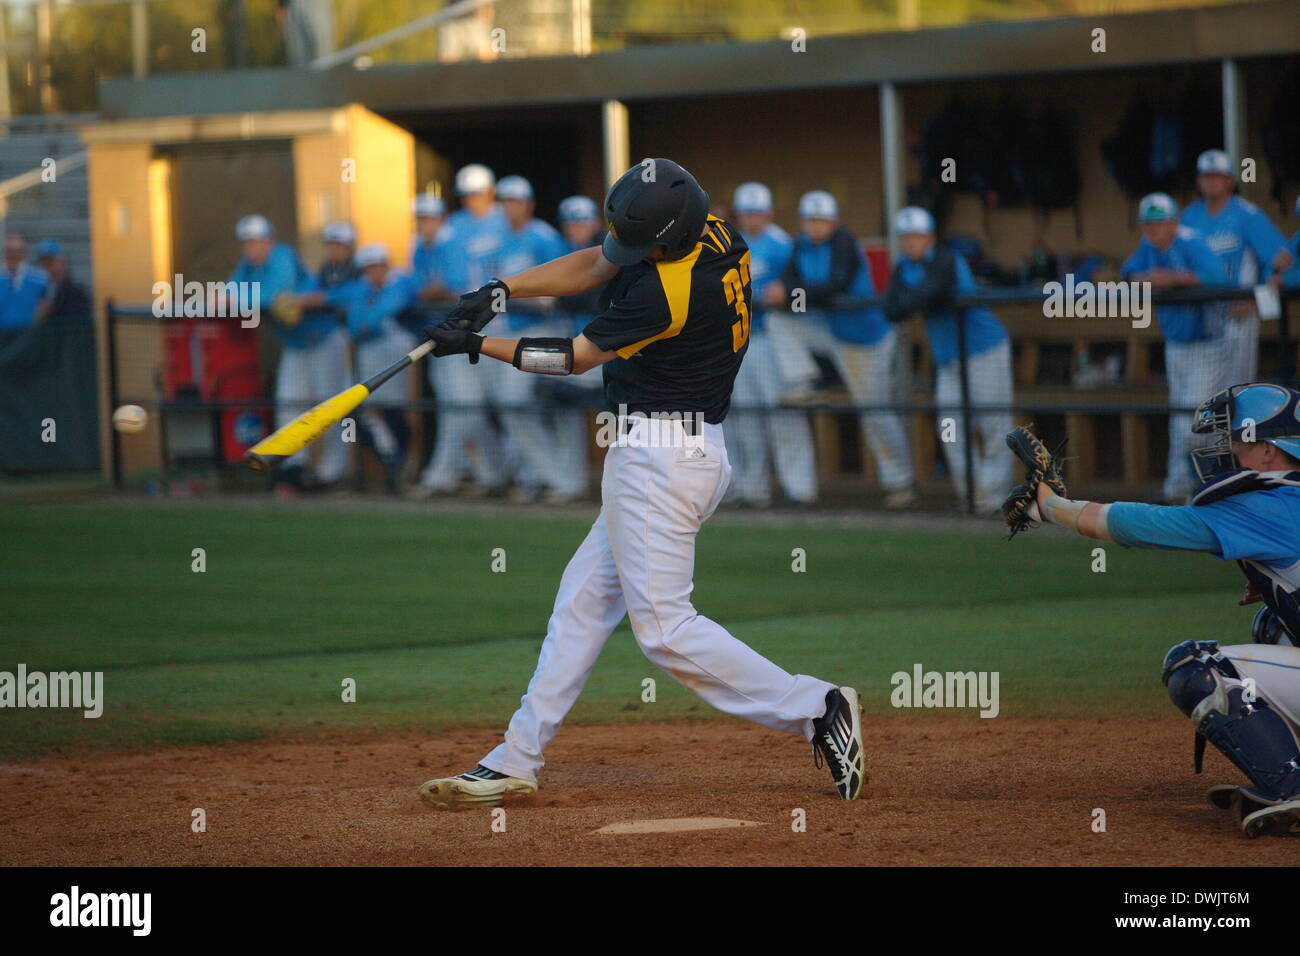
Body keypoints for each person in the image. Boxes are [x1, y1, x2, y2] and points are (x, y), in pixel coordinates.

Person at [415, 159, 865, 808]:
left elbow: (572, 358)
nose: (631, 252)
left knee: (664, 629)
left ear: (668, 236)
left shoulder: (670, 295)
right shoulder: (716, 233)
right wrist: (499, 291)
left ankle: (818, 708)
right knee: (580, 606)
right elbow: (599, 263)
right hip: (677, 450)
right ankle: (515, 756)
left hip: (660, 460)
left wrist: (476, 345)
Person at [1002, 385, 1300, 837]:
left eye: (1235, 440)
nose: (1225, 450)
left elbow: (1143, 525)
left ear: (1266, 451)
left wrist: (1052, 506)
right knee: (1274, 625)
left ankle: (1292, 786)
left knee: (1197, 668)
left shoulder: (1270, 503)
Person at [766, 191, 916, 507]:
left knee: (875, 412)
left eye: (822, 220)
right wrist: (785, 292)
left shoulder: (845, 241)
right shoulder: (800, 246)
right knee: (780, 321)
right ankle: (802, 380)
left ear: (834, 222)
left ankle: (901, 484)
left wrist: (791, 292)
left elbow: (837, 284)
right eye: (810, 220)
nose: (816, 226)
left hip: (866, 339)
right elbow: (790, 286)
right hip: (832, 331)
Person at [884, 206, 1011, 513]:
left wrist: (913, 299)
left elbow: (929, 294)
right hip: (948, 359)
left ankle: (994, 497)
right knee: (950, 426)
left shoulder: (945, 258)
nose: (911, 242)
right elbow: (892, 309)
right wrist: (913, 299)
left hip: (983, 349)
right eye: (906, 237)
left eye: (916, 236)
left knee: (993, 424)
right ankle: (972, 495)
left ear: (929, 237)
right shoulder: (903, 266)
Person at [1120, 193, 1230, 503]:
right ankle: (1179, 492)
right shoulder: (1148, 247)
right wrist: (1147, 279)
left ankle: (1210, 492)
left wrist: (1175, 279)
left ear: (1174, 222)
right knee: (1179, 419)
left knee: (1192, 423)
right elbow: (1127, 273)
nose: (1154, 231)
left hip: (1208, 343)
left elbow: (1219, 278)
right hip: (1176, 345)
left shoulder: (1191, 242)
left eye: (1160, 224)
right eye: (1149, 225)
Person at [412, 164, 510, 498]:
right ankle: (487, 472)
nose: (473, 200)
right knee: (465, 405)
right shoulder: (452, 228)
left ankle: (484, 474)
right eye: (466, 194)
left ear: (491, 192)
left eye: (478, 193)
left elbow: (453, 284)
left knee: (504, 405)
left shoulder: (505, 221)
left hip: (502, 325)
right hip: (458, 328)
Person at [231, 214, 347, 497]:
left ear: (269, 241)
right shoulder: (247, 266)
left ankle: (332, 475)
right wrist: (230, 297)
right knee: (288, 405)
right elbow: (228, 291)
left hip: (324, 339)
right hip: (295, 345)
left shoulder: (282, 256)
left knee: (330, 407)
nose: (252, 247)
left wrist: (235, 299)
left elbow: (273, 296)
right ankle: (294, 470)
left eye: (257, 241)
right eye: (247, 242)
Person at [722, 181, 816, 507]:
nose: (752, 218)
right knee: (745, 416)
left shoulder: (781, 244)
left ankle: (800, 490)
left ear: (770, 212)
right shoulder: (733, 243)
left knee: (783, 415)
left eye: (757, 212)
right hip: (739, 342)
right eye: (746, 212)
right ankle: (752, 490)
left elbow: (800, 287)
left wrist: (784, 292)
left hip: (772, 339)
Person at [490, 175, 576, 502]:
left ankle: (560, 481)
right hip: (511, 332)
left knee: (535, 405)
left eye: (516, 201)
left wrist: (514, 299)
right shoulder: (498, 239)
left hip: (545, 331)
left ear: (528, 204)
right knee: (515, 407)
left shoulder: (544, 237)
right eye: (505, 202)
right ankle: (537, 478)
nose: (510, 208)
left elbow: (555, 291)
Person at [1180, 149, 1293, 383]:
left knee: (1234, 390)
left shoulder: (1247, 215)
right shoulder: (1189, 217)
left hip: (1237, 314)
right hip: (1201, 313)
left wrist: (1256, 302)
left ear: (1230, 181)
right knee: (1196, 395)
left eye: (1217, 176)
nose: (1211, 181)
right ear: (1198, 181)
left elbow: (1282, 262)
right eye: (1206, 176)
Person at [343, 242, 421, 493]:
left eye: (376, 267)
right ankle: (389, 464)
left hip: (402, 358)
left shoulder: (400, 282)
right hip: (370, 358)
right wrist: (367, 321)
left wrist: (368, 321)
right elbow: (355, 325)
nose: (372, 273)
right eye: (368, 268)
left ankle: (409, 469)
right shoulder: (362, 289)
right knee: (363, 413)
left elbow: (383, 313)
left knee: (405, 413)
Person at [548, 194, 607, 498]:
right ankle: (569, 482)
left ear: (594, 222)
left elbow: (594, 292)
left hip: (607, 350)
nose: (577, 228)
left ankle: (623, 486)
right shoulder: (563, 252)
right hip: (574, 348)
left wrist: (557, 297)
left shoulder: (609, 249)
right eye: (571, 223)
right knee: (562, 406)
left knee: (621, 416)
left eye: (582, 222)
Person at [34, 239, 91, 325]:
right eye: (43, 262)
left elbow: (80, 325)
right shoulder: (38, 290)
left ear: (62, 261)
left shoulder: (77, 293)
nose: (46, 267)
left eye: (50, 262)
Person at [0, 235, 49, 330]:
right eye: (9, 252)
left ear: (24, 253)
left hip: (28, 337)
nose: (13, 256)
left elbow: (45, 308)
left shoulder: (40, 279)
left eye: (17, 252)